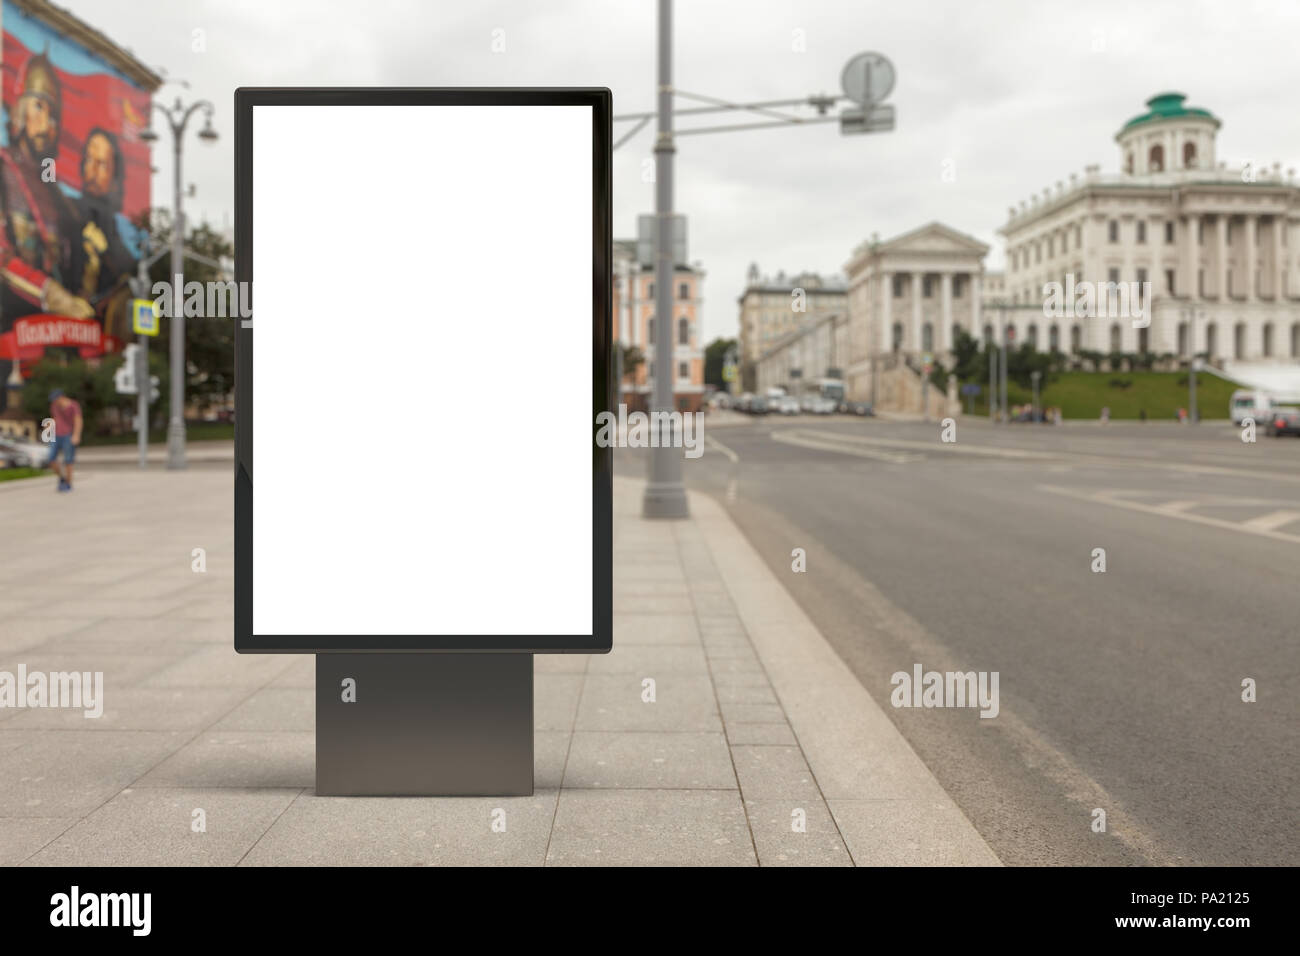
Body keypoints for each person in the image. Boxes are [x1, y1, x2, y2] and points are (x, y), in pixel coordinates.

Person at [44, 388, 81, 492]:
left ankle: (69, 484)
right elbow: (55, 418)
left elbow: (78, 420)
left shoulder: (73, 405)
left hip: (68, 435)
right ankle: (62, 478)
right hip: (55, 435)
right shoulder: (54, 406)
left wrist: (76, 435)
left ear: (61, 397)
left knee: (68, 460)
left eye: (56, 399)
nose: (54, 402)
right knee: (51, 458)